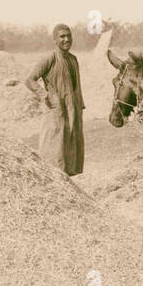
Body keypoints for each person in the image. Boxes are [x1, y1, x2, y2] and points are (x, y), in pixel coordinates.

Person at [25, 23, 85, 177]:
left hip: (73, 110)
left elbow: (76, 85)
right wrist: (45, 95)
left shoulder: (73, 59)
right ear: (55, 40)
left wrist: (79, 104)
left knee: (71, 149)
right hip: (55, 112)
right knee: (54, 149)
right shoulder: (50, 58)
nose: (66, 39)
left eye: (68, 35)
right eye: (62, 36)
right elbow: (30, 80)